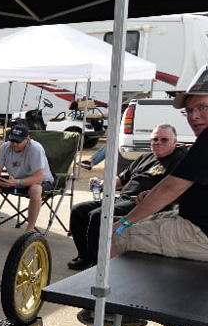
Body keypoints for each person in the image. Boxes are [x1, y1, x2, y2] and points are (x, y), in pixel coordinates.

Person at [111, 72, 208, 263]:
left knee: (115, 235)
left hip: (200, 234)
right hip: (192, 220)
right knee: (139, 222)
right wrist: (151, 197)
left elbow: (170, 188)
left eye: (202, 107)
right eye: (189, 110)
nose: (194, 116)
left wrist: (124, 222)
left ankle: (109, 283)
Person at [67, 123, 183, 270]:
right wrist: (102, 184)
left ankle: (99, 265)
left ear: (174, 142)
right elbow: (122, 179)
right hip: (122, 199)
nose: (158, 143)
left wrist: (152, 194)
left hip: (143, 204)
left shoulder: (178, 161)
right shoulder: (145, 157)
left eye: (164, 140)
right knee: (78, 210)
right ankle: (85, 257)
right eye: (154, 139)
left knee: (98, 215)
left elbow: (174, 189)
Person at [0, 123, 54, 236]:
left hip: (39, 181)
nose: (14, 144)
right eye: (12, 140)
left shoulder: (35, 149)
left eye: (18, 141)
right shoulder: (5, 147)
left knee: (36, 190)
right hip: (14, 180)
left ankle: (30, 229)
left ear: (27, 139)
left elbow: (38, 177)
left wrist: (17, 182)